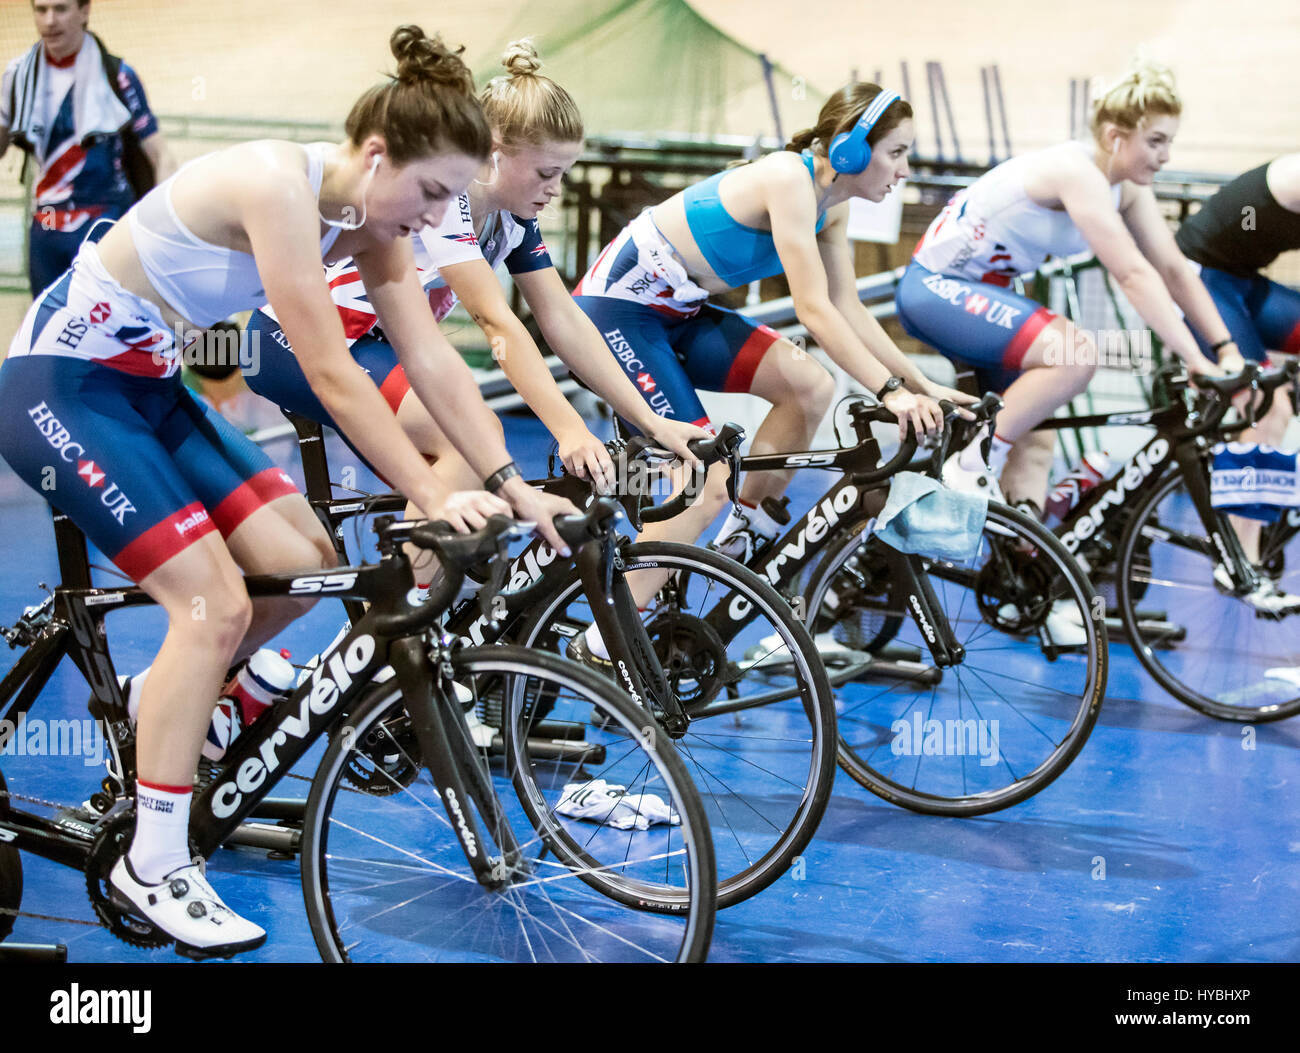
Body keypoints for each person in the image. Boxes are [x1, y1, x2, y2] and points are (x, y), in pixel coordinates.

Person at [0, 25, 564, 959]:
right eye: (428, 193)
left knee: (305, 565)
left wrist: (509, 481)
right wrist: (430, 493)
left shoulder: (374, 221)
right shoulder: (278, 185)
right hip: (60, 382)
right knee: (210, 603)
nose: (431, 219)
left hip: (145, 383)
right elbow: (336, 373)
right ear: (376, 154)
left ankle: (163, 705)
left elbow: (430, 357)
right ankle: (155, 863)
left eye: (448, 201)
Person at [564, 81, 971, 669]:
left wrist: (919, 385)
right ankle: (598, 646)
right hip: (619, 313)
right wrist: (887, 391)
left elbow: (850, 308)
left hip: (677, 312)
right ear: (853, 150)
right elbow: (814, 311)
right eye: (899, 152)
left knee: (810, 385)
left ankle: (742, 534)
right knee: (704, 476)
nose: (906, 170)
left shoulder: (835, 205)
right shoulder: (788, 180)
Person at [245, 38, 707, 516]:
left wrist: (650, 421)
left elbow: (562, 317)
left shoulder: (512, 214)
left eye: (564, 173)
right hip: (289, 342)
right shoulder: (449, 200)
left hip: (376, 345)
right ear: (494, 154)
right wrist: (568, 427)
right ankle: (419, 590)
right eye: (546, 172)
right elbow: (495, 322)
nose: (556, 189)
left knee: (478, 458)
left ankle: (424, 576)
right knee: (472, 439)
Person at [896, 60, 1244, 513]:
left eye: (1170, 142)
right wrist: (1196, 360)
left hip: (986, 294)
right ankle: (971, 463)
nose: (1166, 156)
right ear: (1115, 137)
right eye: (1155, 141)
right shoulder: (1074, 171)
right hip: (936, 288)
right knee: (1075, 355)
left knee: (1037, 442)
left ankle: (1026, 565)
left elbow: (1174, 269)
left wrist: (1225, 346)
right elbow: (1133, 274)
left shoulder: (1126, 187)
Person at [1, 0, 176, 296]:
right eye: (41, 10)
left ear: (84, 11)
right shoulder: (18, 75)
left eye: (61, 9)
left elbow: (160, 155)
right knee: (47, 335)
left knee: (109, 330)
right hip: (45, 231)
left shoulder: (118, 75)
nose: (50, 21)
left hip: (107, 226)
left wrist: (166, 224)